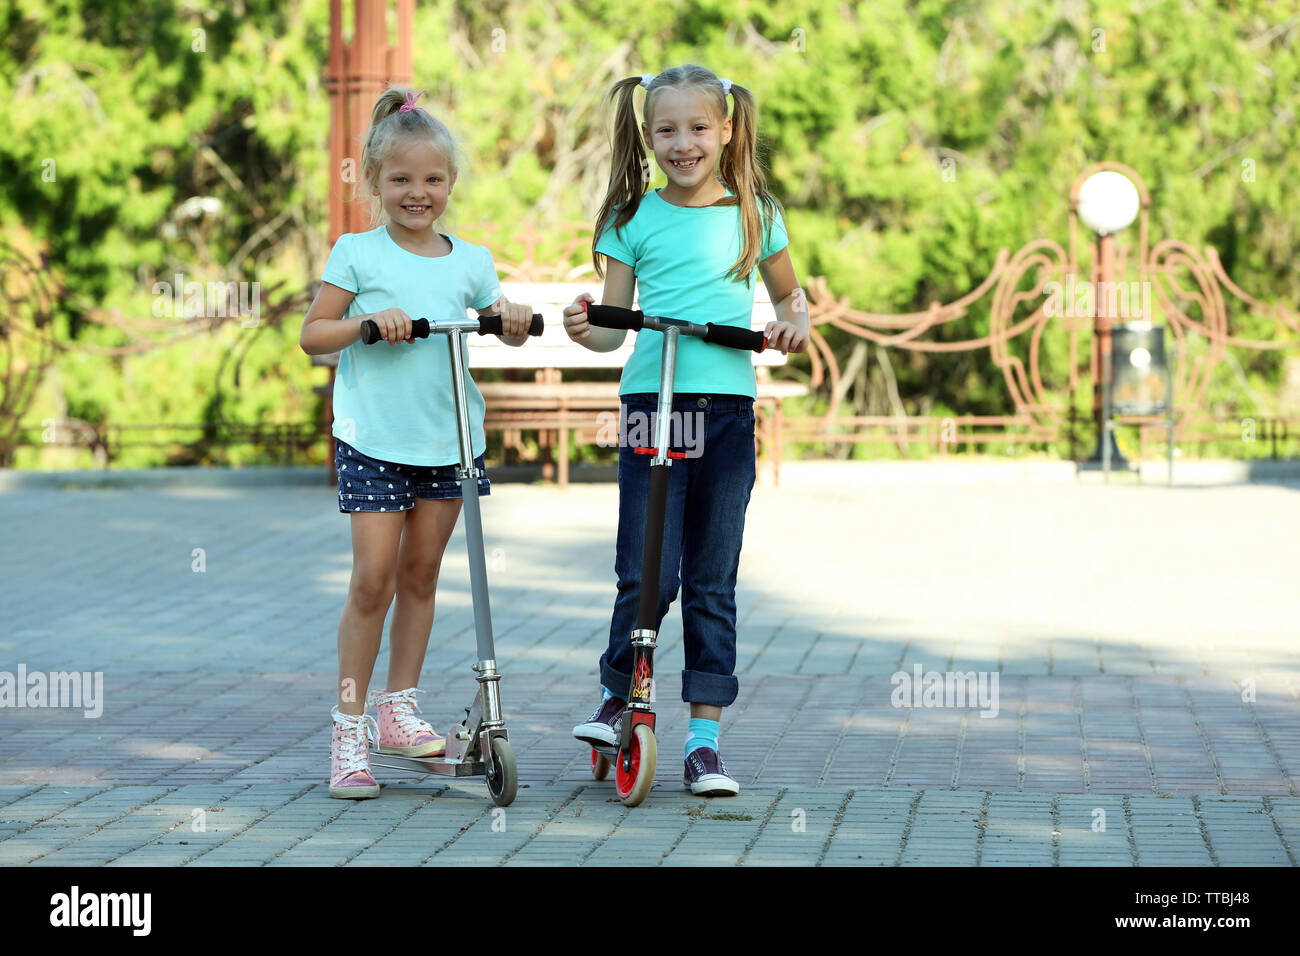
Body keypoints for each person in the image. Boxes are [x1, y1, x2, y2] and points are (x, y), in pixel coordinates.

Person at [566, 65, 808, 796]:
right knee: (646, 572)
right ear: (647, 136)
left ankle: (704, 742)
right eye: (666, 130)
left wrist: (793, 321)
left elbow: (790, 294)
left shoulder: (753, 212)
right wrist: (587, 331)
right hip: (651, 405)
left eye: (698, 128)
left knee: (710, 578)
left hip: (726, 409)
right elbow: (612, 329)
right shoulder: (630, 217)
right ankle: (620, 699)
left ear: (727, 130)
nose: (684, 143)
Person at [300, 87, 534, 799]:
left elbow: (498, 315)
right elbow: (314, 337)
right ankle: (349, 728)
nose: (417, 193)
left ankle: (397, 709)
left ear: (450, 184)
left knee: (422, 577)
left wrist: (514, 318)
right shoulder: (357, 252)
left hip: (449, 438)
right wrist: (369, 325)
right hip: (374, 438)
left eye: (432, 179)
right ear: (375, 182)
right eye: (401, 179)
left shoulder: (470, 259)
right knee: (372, 582)